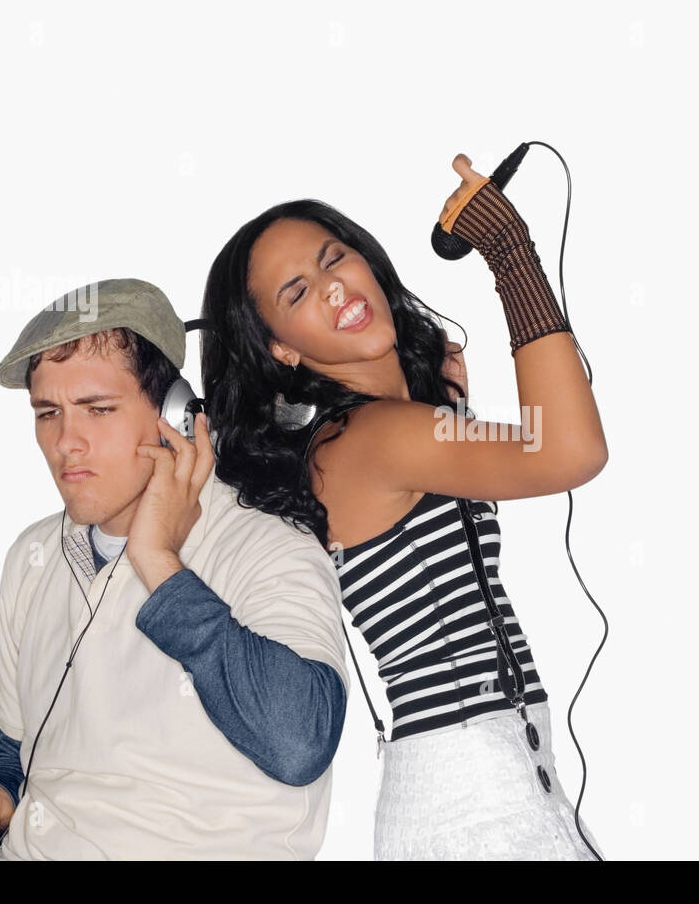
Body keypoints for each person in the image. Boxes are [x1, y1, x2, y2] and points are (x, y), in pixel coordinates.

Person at [199, 154, 609, 859]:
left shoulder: (379, 428)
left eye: (335, 259)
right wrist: (510, 253)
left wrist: (448, 409)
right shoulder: (369, 436)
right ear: (280, 350)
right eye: (298, 292)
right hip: (474, 801)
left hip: (508, 786)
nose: (333, 288)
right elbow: (569, 451)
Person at [0, 279, 350, 860]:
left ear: (178, 416)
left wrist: (160, 565)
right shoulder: (32, 557)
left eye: (98, 410)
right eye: (48, 413)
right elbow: (15, 748)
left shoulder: (268, 547)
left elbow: (299, 743)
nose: (66, 443)